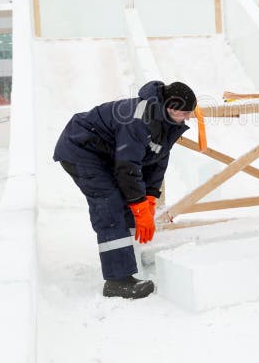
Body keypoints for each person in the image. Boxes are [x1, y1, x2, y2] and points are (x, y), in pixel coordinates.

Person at [53, 80, 196, 299]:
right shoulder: (139, 119)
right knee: (109, 204)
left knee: (128, 200)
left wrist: (149, 199)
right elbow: (128, 167)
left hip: (108, 154)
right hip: (82, 148)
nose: (187, 119)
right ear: (170, 108)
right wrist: (139, 207)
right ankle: (117, 280)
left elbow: (157, 162)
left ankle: (132, 257)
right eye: (185, 113)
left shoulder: (167, 124)